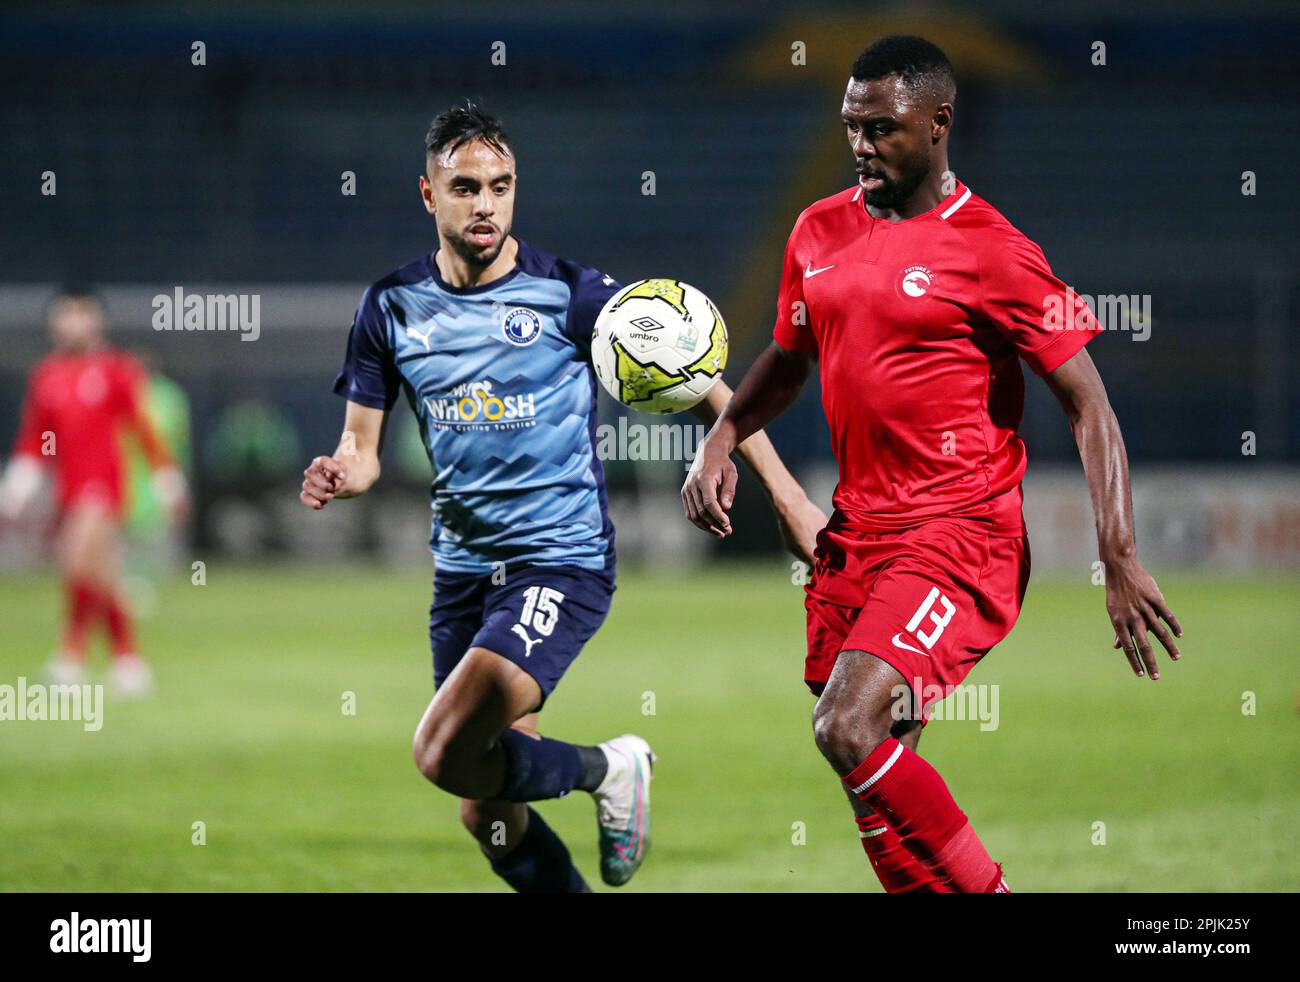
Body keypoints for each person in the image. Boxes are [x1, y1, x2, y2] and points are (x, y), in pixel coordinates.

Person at [682, 36, 1182, 893]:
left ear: (940, 123)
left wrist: (1120, 552)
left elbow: (1088, 401)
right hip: (860, 535)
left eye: (882, 128)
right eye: (851, 128)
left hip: (960, 532)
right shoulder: (817, 231)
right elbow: (788, 359)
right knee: (872, 772)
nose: (862, 146)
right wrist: (723, 434)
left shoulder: (994, 249)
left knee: (843, 726)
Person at [300, 103, 825, 892]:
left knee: (440, 753)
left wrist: (787, 497)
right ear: (428, 194)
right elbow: (363, 450)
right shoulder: (391, 307)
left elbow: (709, 386)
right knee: (487, 809)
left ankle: (611, 768)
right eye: (466, 186)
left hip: (559, 561)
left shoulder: (570, 295)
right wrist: (342, 472)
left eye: (501, 187)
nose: (485, 204)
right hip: (462, 576)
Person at [1, 289, 188, 694]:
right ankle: (128, 658)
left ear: (97, 321)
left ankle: (72, 655)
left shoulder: (115, 370)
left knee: (74, 557)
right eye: (65, 315)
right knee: (101, 575)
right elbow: (39, 436)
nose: (72, 323)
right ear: (54, 323)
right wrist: (22, 477)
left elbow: (141, 428)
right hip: (67, 488)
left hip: (103, 485)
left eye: (81, 314)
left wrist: (166, 478)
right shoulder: (47, 376)